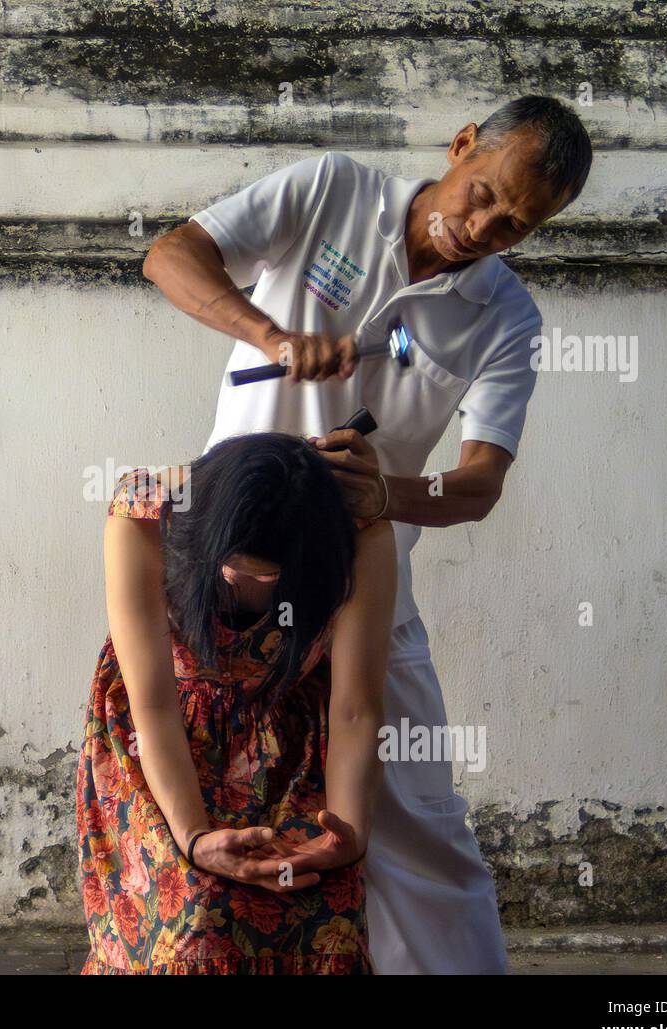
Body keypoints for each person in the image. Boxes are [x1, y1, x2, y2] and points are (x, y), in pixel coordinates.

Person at [142, 96, 593, 974]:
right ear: (462, 145)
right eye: (485, 195)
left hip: (364, 586)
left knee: (417, 831)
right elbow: (170, 255)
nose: (484, 229)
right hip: (221, 578)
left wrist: (384, 492)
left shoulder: (506, 317)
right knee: (183, 806)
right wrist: (268, 333)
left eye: (516, 227)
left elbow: (479, 484)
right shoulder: (330, 192)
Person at [76, 431, 397, 974]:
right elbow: (151, 704)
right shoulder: (145, 515)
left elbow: (356, 708)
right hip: (162, 742)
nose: (242, 583)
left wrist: (346, 835)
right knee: (200, 918)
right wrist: (196, 840)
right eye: (232, 565)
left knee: (326, 917)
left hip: (289, 742)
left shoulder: (357, 528)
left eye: (267, 576)